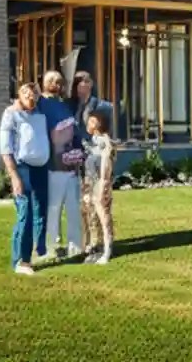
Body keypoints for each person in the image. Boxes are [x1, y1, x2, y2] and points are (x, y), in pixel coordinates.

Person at [0, 82, 50, 275]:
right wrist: (14, 177)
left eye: (34, 94)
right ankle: (20, 260)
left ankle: (39, 250)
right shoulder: (11, 115)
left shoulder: (39, 113)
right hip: (23, 169)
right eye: (26, 94)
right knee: (26, 214)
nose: (31, 97)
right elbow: (5, 149)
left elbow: (52, 93)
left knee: (40, 212)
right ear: (19, 96)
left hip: (41, 169)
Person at [38, 70, 82, 258]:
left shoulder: (64, 105)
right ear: (44, 82)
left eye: (58, 81)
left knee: (73, 206)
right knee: (53, 207)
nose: (55, 84)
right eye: (51, 80)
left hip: (71, 164)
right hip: (53, 165)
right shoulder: (41, 104)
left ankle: (75, 245)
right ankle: (52, 245)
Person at [82, 101, 117, 265]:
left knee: (104, 216)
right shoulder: (93, 141)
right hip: (90, 184)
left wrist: (103, 183)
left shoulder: (105, 142)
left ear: (96, 123)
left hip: (100, 185)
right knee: (91, 216)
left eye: (90, 121)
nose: (87, 124)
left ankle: (107, 250)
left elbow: (106, 162)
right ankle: (94, 247)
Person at [70, 71, 100, 145]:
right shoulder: (68, 105)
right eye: (78, 82)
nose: (82, 84)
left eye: (86, 81)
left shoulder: (100, 106)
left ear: (91, 84)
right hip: (72, 147)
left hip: (92, 146)